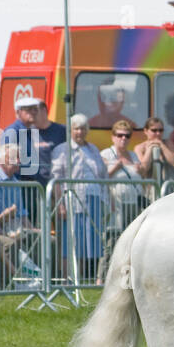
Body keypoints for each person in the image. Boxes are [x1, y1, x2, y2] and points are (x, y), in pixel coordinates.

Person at [50, 114, 108, 284]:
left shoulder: (93, 149)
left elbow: (103, 175)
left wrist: (107, 199)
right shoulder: (62, 150)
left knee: (87, 241)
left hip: (94, 198)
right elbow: (56, 179)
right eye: (76, 128)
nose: (80, 132)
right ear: (71, 130)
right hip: (72, 200)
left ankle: (79, 278)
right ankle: (67, 279)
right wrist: (60, 204)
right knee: (71, 240)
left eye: (83, 128)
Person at [99, 119, 145, 283]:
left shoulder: (133, 155)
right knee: (112, 241)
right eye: (119, 135)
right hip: (115, 204)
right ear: (113, 137)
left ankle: (126, 278)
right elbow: (101, 178)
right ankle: (102, 279)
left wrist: (141, 170)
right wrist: (114, 168)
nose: (123, 139)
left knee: (131, 243)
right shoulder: (106, 154)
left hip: (133, 203)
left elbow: (142, 178)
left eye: (126, 136)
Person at [0, 142, 37, 287]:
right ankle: (12, 285)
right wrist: (5, 217)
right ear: (4, 159)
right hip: (1, 232)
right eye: (16, 158)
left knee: (46, 239)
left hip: (15, 229)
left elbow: (23, 215)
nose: (20, 162)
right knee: (10, 243)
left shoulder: (15, 182)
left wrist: (34, 230)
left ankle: (45, 282)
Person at [134, 116, 174, 186]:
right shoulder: (140, 147)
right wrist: (150, 148)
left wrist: (162, 146)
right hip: (150, 190)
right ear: (146, 131)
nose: (158, 133)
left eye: (161, 130)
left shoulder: (168, 144)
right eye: (154, 130)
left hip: (168, 188)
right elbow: (144, 170)